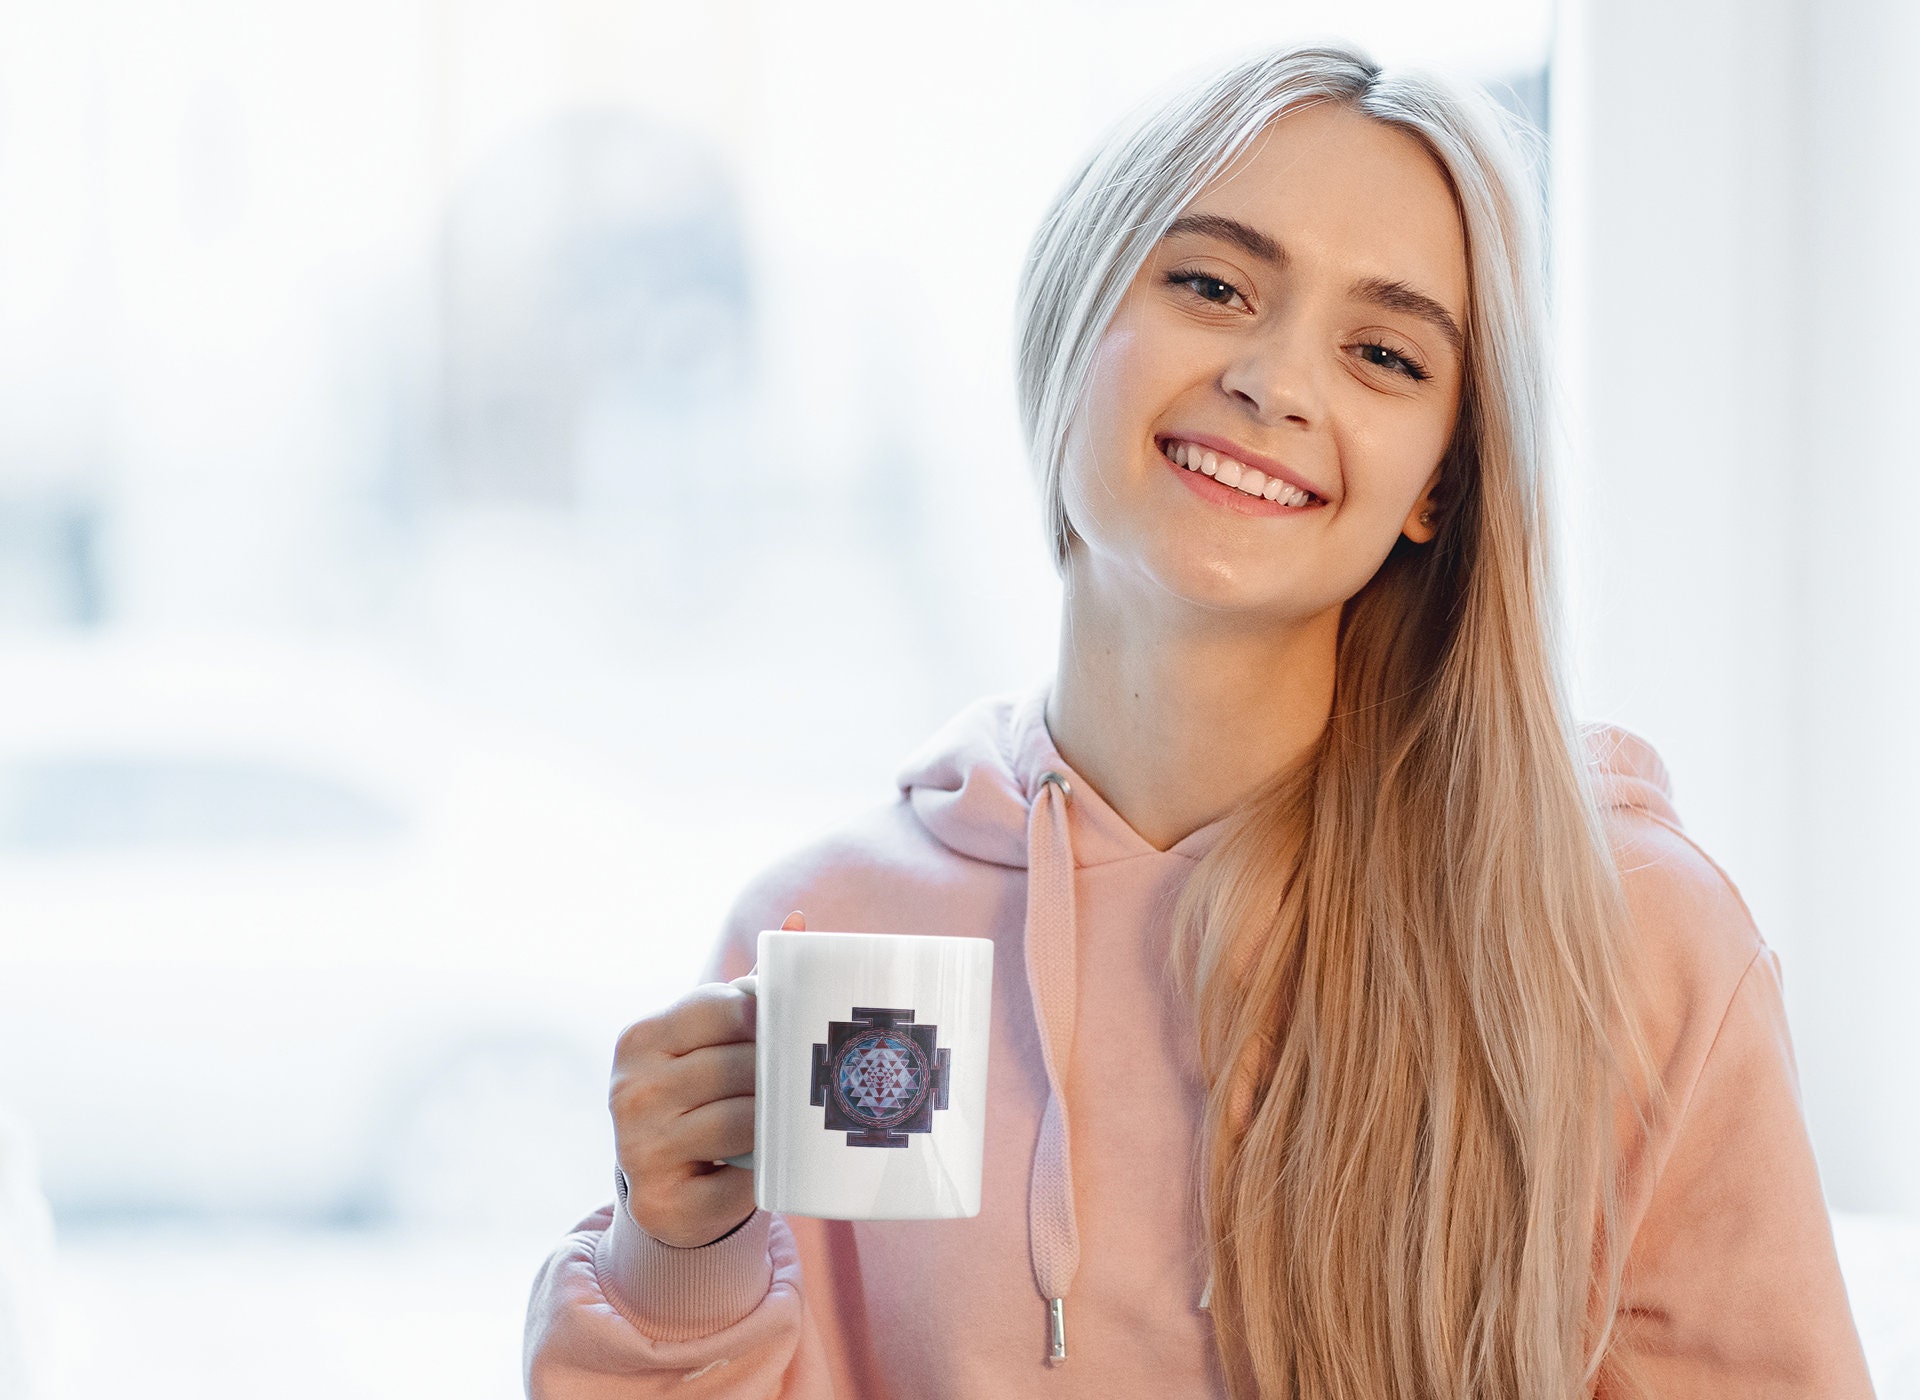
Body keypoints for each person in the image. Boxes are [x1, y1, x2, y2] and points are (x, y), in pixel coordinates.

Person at [523, 39, 1874, 1399]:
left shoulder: (1625, 939)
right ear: (1073, 318)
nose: (1278, 382)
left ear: (1438, 488)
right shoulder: (829, 930)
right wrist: (679, 1258)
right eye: (1213, 284)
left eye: (1385, 353)